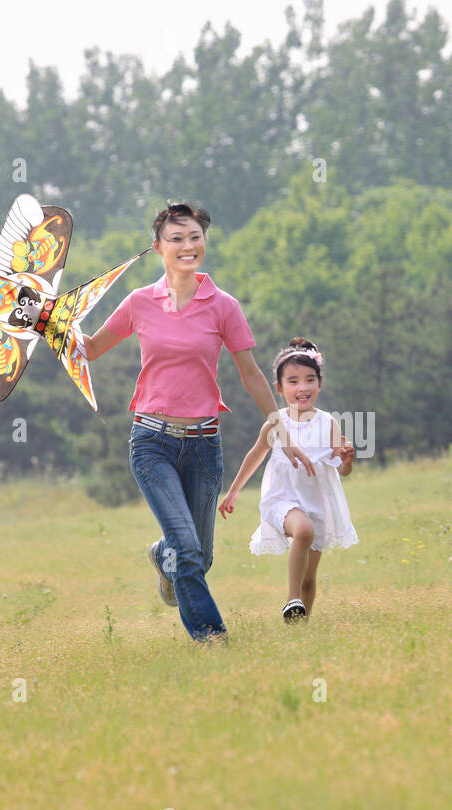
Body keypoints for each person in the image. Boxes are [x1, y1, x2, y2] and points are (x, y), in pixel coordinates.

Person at [82, 202, 315, 641]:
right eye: (177, 239)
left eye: (195, 238)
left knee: (199, 558)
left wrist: (282, 433)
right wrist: (46, 324)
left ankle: (163, 556)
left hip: (204, 446)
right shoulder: (139, 303)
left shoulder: (223, 306)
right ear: (158, 248)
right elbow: (91, 349)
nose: (188, 246)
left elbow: (250, 373)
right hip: (152, 442)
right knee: (187, 549)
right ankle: (212, 638)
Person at [218, 338, 357, 622]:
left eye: (309, 380)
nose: (302, 388)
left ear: (320, 384)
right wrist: (233, 493)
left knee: (310, 578)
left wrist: (346, 461)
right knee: (303, 532)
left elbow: (340, 471)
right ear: (279, 389)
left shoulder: (327, 423)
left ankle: (299, 624)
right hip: (283, 499)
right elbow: (255, 456)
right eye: (293, 381)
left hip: (317, 502)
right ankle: (291, 598)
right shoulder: (275, 423)